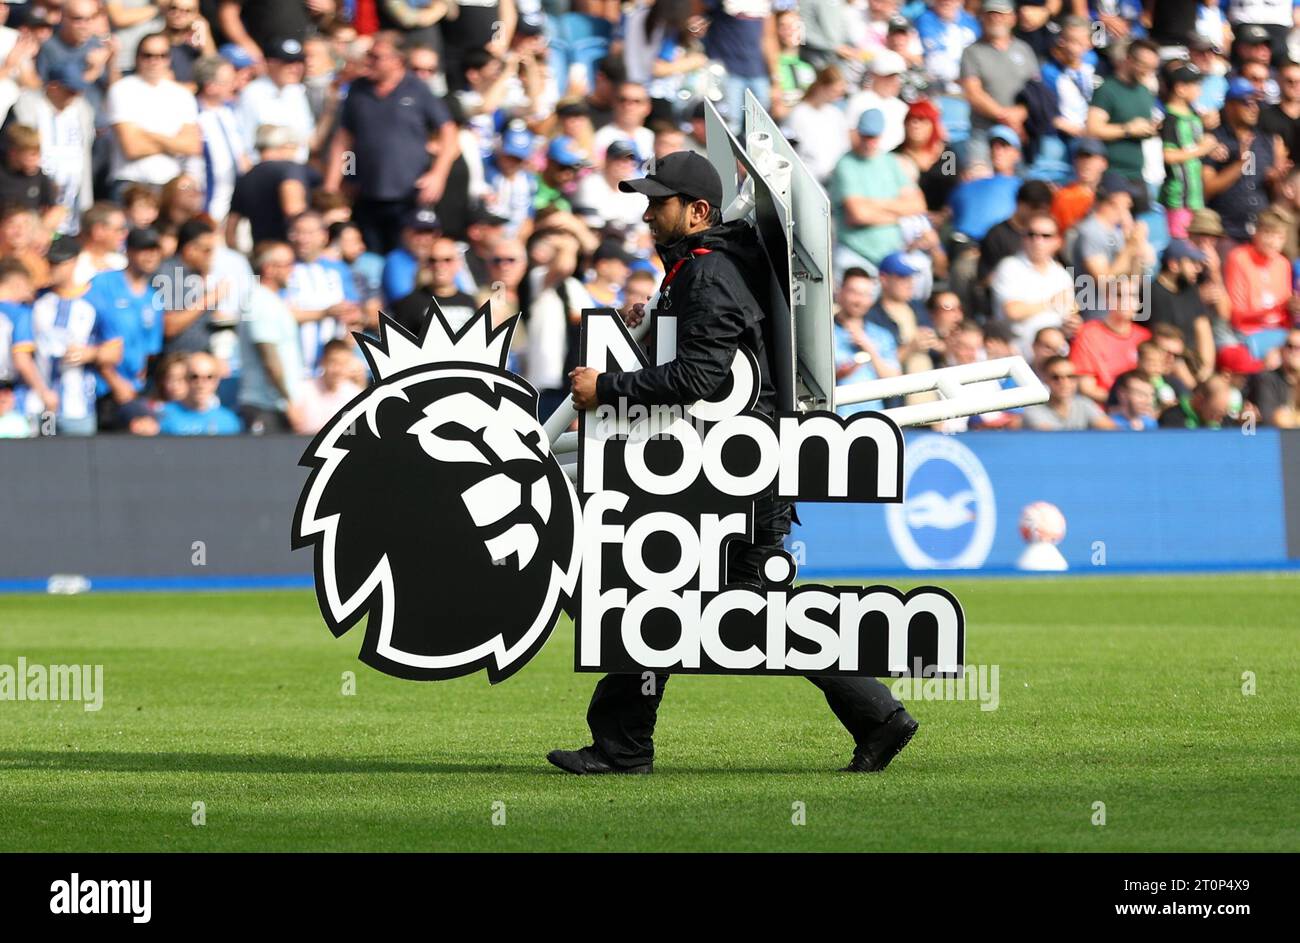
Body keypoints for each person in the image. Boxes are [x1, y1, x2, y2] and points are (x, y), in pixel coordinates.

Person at [557, 150, 918, 776]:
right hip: (740, 472)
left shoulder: (707, 272)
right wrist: (656, 322)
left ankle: (623, 749)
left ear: (697, 212)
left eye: (658, 201)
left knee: (666, 595)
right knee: (710, 603)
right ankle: (878, 719)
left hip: (733, 480)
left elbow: (702, 375)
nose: (646, 212)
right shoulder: (704, 267)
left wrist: (608, 388)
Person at [326, 31, 459, 256]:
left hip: (408, 196)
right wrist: (337, 182)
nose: (369, 61)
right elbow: (345, 139)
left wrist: (438, 174)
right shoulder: (358, 89)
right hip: (366, 194)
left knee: (404, 257)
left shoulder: (417, 88)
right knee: (369, 257)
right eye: (369, 55)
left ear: (397, 60)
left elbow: (448, 130)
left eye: (376, 56)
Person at [10, 236, 122, 436]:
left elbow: (115, 350)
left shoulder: (96, 301)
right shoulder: (36, 299)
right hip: (39, 403)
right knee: (40, 458)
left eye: (59, 263)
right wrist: (42, 392)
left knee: (77, 460)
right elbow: (21, 349)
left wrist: (91, 354)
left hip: (77, 406)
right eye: (50, 262)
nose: (53, 268)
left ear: (74, 262)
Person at [84, 227, 166, 431]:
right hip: (100, 386)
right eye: (144, 250)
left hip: (133, 388)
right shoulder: (103, 283)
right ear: (129, 252)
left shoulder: (152, 297)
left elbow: (150, 348)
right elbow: (87, 332)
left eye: (155, 250)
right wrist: (112, 378)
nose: (150, 256)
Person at [830, 107, 925, 276]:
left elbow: (918, 205)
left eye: (873, 136)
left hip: (893, 252)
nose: (869, 142)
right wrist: (899, 215)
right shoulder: (846, 164)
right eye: (865, 135)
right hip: (857, 253)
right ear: (857, 133)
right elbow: (858, 215)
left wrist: (873, 203)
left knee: (922, 269)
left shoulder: (891, 161)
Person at [107, 31, 202, 194]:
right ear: (137, 58)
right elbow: (132, 148)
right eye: (148, 55)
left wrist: (149, 135)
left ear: (169, 59)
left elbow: (192, 146)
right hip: (131, 183)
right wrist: (174, 143)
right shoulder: (121, 90)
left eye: (161, 55)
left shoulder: (182, 95)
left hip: (171, 185)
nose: (154, 61)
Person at [990, 213, 1078, 359]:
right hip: (1019, 353)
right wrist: (1051, 303)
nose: (1037, 240)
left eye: (1045, 235)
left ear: (1058, 241)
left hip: (1054, 353)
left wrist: (1072, 325)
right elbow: (1012, 311)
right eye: (1031, 234)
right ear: (1023, 238)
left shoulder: (1062, 275)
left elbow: (1069, 314)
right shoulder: (1009, 267)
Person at [237, 240, 303, 434]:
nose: (293, 270)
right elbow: (270, 358)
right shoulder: (260, 302)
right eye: (288, 264)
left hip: (275, 405)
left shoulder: (272, 301)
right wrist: (289, 401)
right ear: (269, 268)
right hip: (264, 406)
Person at [1086, 38, 1160, 202]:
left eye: (1152, 68)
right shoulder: (1107, 90)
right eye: (1143, 65)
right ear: (1128, 60)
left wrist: (1150, 129)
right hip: (1112, 174)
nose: (1147, 72)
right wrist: (1127, 129)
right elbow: (1092, 129)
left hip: (1138, 174)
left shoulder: (1145, 92)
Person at [226, 124, 316, 245]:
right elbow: (294, 210)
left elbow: (231, 227)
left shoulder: (246, 177)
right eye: (294, 147)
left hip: (261, 251)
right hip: (287, 252)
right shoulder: (289, 169)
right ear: (284, 146)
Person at [1223, 208, 1295, 359]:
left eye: (1279, 237)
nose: (1273, 242)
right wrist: (1270, 311)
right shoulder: (1239, 258)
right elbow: (1237, 314)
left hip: (1281, 333)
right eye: (1268, 234)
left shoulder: (1284, 263)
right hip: (1249, 333)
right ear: (1256, 233)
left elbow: (1286, 311)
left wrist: (1293, 306)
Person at [1070, 278, 1152, 404]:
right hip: (1103, 411)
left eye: (1132, 296)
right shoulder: (1088, 334)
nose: (1126, 301)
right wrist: (1124, 402)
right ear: (1108, 298)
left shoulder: (1145, 337)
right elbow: (1086, 388)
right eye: (1119, 295)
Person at [833, 267, 900, 415]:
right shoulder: (824, 333)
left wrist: (869, 348)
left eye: (865, 294)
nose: (859, 300)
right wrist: (837, 374)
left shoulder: (882, 335)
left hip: (874, 417)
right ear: (840, 293)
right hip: (836, 417)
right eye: (853, 292)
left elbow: (894, 381)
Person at [1147, 240, 1217, 382]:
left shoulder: (1191, 290)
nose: (1198, 268)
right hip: (1169, 370)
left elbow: (1203, 328)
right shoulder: (1153, 293)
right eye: (1192, 262)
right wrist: (1193, 386)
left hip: (1195, 366)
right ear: (1173, 265)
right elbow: (1165, 345)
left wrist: (1206, 370)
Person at [391, 235, 480, 334]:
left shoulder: (471, 301)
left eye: (447, 260)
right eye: (433, 260)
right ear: (425, 264)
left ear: (458, 263)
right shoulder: (409, 304)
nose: (439, 266)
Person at [289, 337, 364, 434]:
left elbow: (350, 434)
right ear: (323, 361)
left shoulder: (355, 395)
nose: (338, 370)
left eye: (344, 363)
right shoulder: (303, 390)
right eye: (333, 362)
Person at [1022, 355, 1116, 430]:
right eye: (1056, 377)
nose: (1064, 382)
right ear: (1045, 380)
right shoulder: (1033, 410)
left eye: (1070, 376)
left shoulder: (1084, 404)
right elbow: (1051, 440)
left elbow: (1111, 431)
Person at [158, 350, 241, 434]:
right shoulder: (163, 416)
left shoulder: (229, 422)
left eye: (209, 377)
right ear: (185, 379)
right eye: (194, 377)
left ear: (217, 381)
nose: (201, 384)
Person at [1245, 327, 1300, 426]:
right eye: (1289, 346)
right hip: (1275, 439)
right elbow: (1273, 419)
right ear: (1281, 350)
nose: (1294, 352)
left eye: (1299, 348)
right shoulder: (1266, 379)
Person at [1157, 373, 1239, 428]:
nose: (1220, 420)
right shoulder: (1172, 419)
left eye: (1222, 414)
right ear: (1200, 400)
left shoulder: (1224, 420)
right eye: (1215, 413)